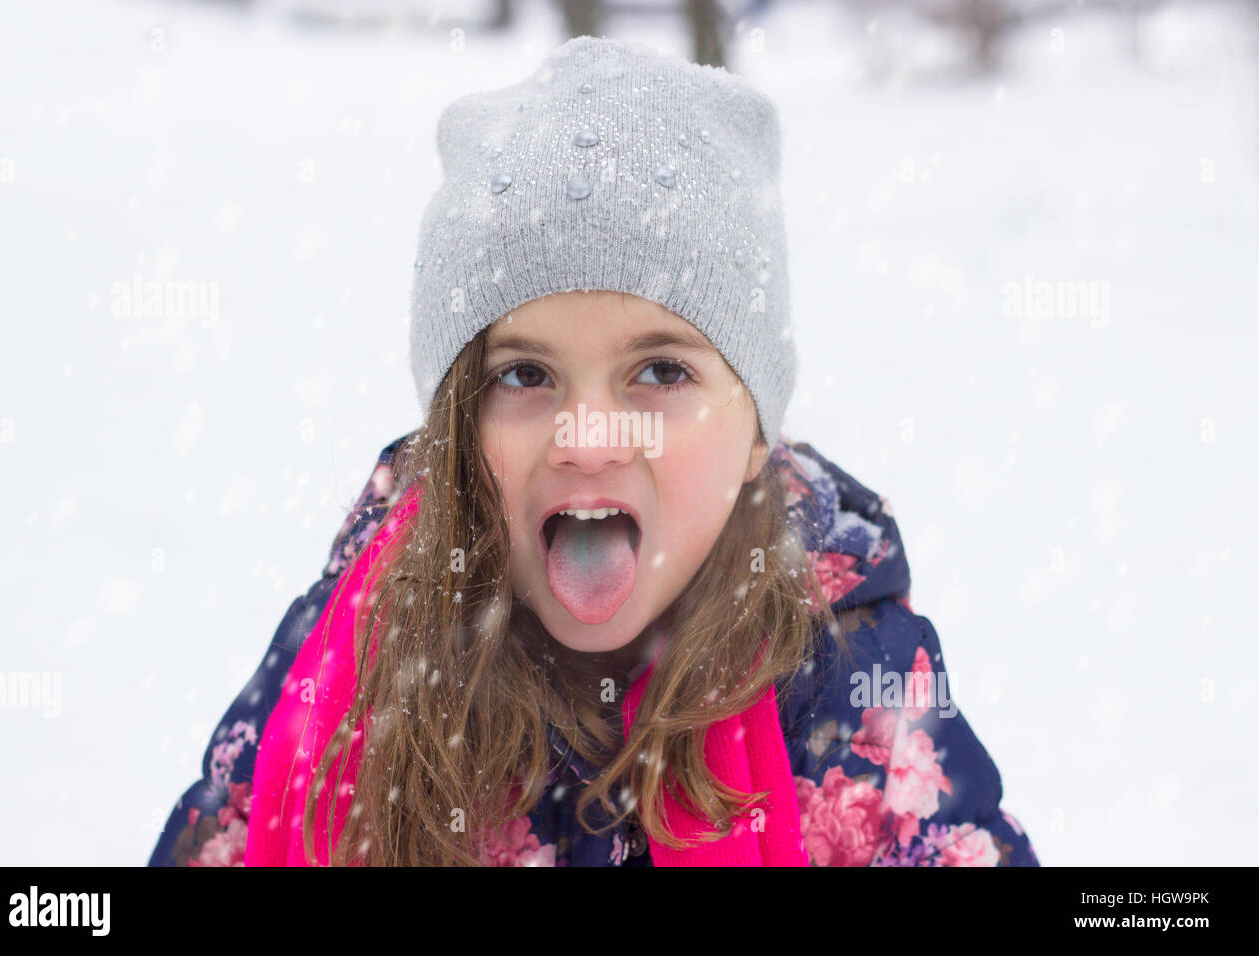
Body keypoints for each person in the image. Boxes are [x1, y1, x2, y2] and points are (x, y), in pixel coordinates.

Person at [147, 35, 1039, 867]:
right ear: (460, 427)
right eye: (527, 376)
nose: (587, 439)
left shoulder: (843, 676)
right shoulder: (365, 635)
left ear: (753, 438)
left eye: (658, 371)